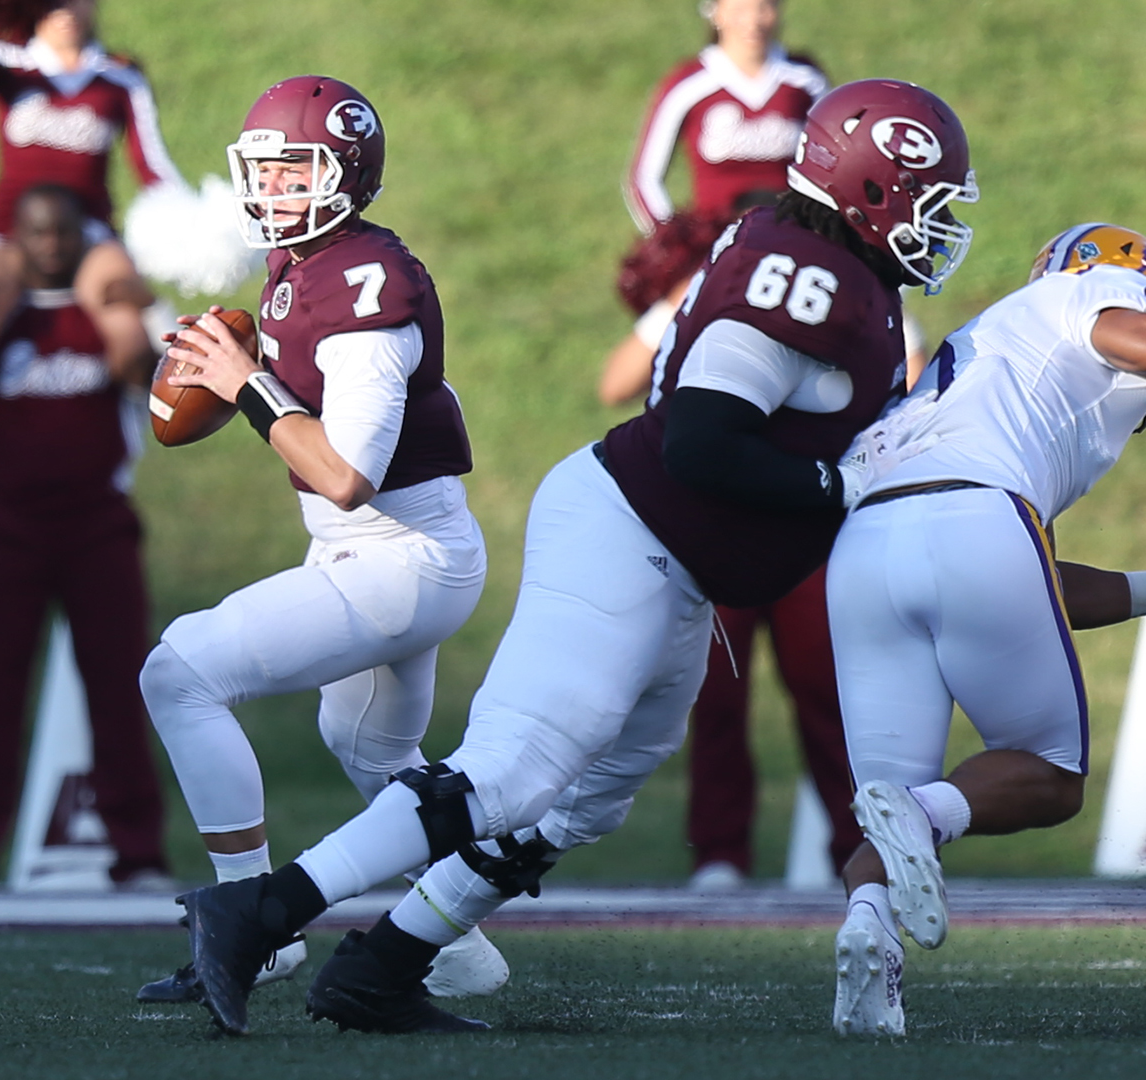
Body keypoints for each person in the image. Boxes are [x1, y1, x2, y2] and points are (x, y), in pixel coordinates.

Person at [163, 78, 979, 1037]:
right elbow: (705, 439)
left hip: (678, 563)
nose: (938, 223)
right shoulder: (806, 275)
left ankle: (385, 965)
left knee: (583, 801)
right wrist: (842, 489)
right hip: (630, 529)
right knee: (509, 773)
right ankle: (260, 909)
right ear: (874, 189)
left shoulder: (827, 267)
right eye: (929, 199)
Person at [134, 76, 506, 1003]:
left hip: (396, 556)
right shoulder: (313, 262)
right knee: (374, 753)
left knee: (178, 674)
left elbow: (345, 473)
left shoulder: (362, 288)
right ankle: (451, 944)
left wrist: (248, 385)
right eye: (263, 171)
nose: (274, 191)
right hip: (390, 553)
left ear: (347, 172)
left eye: (294, 172)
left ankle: (247, 925)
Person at [826, 223, 1146, 1036]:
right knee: (1048, 774)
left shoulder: (982, 362)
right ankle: (927, 822)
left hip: (864, 549)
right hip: (977, 522)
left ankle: (869, 937)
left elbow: (1038, 587)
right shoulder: (1091, 291)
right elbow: (1128, 335)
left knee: (894, 798)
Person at [601, 2, 859, 889]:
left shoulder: (808, 83)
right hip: (724, 491)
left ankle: (860, 849)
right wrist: (691, 270)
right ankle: (720, 848)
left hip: (800, 496)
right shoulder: (691, 87)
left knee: (832, 689)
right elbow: (644, 187)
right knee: (716, 685)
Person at [0, 184, 170, 888]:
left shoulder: (110, 315)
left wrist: (144, 300)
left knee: (120, 691)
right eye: (36, 234)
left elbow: (177, 374)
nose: (50, 246)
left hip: (99, 525)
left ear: (86, 238)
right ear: (14, 241)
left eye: (64, 234)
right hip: (8, 528)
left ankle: (138, 853)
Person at [0, 1, 180, 409]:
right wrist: (2, 17)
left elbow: (152, 165)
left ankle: (116, 424)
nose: (62, 9)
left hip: (90, 232)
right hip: (7, 230)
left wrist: (194, 224)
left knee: (130, 337)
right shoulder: (8, 61)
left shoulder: (119, 75)